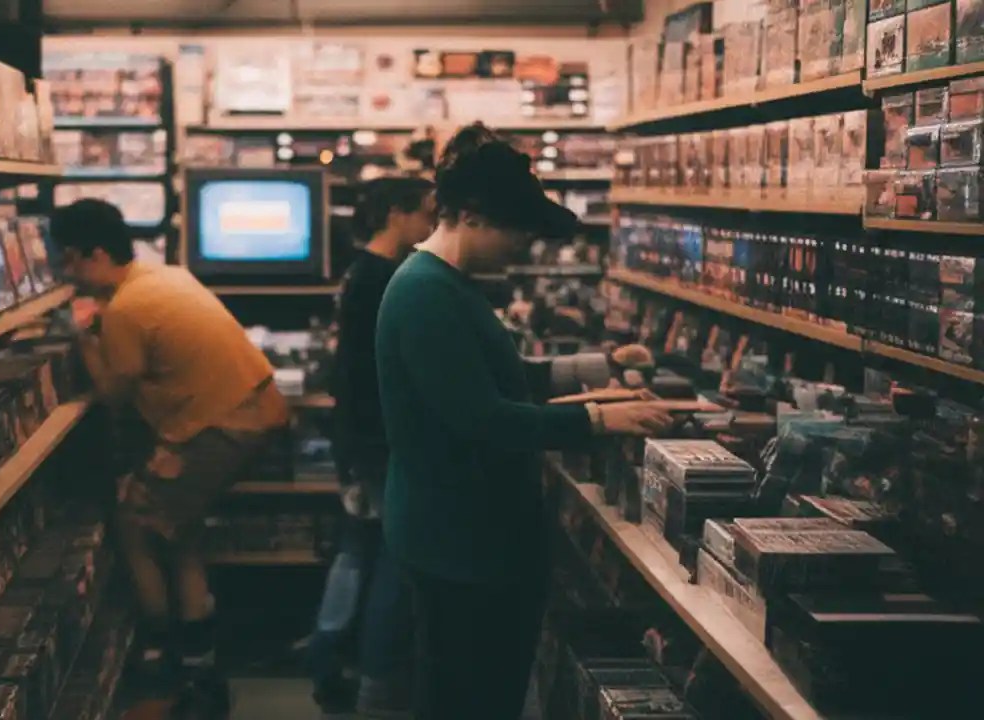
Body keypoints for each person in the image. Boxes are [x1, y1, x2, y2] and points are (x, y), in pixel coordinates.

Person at [375, 125, 675, 720]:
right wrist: (597, 419)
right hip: (459, 543)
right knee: (468, 698)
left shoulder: (445, 285)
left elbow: (497, 376)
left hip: (463, 537)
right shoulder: (425, 294)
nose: (525, 246)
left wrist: (598, 370)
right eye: (517, 231)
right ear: (472, 216)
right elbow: (484, 419)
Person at [52, 199, 289, 719]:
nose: (66, 273)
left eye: (69, 259)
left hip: (222, 427)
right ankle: (198, 660)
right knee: (178, 530)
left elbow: (115, 392)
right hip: (250, 411)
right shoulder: (165, 277)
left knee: (136, 521)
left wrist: (82, 338)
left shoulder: (124, 310)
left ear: (94, 254)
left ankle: (162, 657)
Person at [309, 177, 436, 718]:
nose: (433, 224)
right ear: (396, 214)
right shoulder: (386, 279)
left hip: (359, 439)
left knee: (357, 551)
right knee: (392, 561)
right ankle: (377, 688)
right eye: (426, 212)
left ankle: (326, 662)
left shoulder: (361, 272)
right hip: (379, 441)